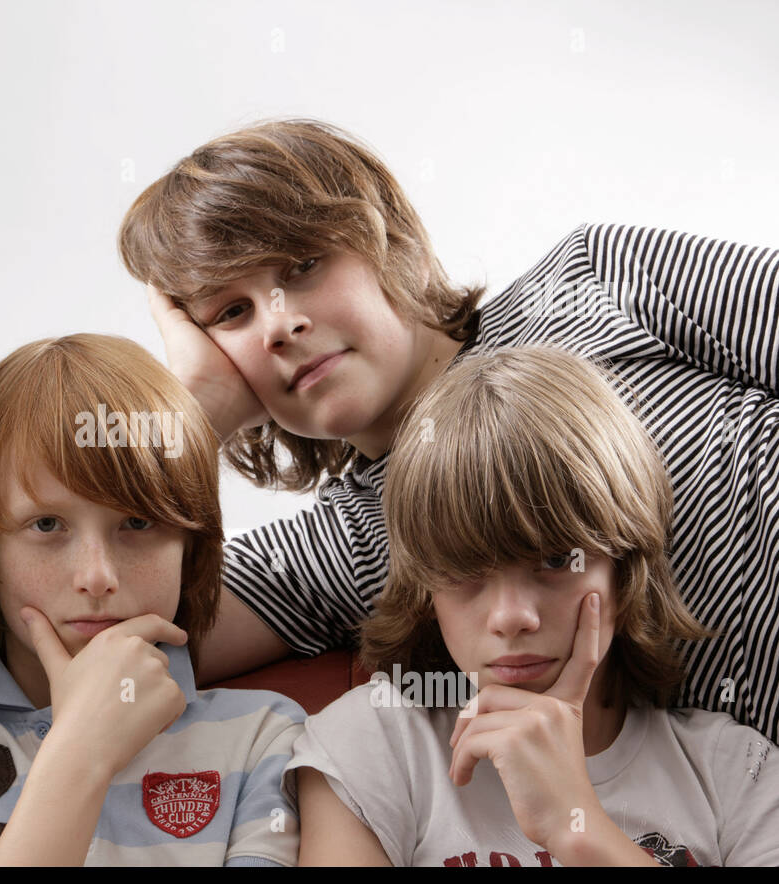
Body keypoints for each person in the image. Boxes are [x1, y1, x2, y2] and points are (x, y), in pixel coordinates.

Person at [116, 118, 779, 745]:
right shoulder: (343, 546)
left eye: (301, 267)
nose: (279, 324)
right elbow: (97, 645)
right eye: (233, 311)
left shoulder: (595, 280)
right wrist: (189, 413)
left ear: (387, 240)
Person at [0, 334, 304, 866]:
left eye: (138, 523)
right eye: (46, 525)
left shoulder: (266, 739)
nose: (97, 576)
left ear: (194, 547)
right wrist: (80, 753)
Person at [289, 345, 779, 866]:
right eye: (463, 571)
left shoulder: (737, 770)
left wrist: (579, 829)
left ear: (625, 565)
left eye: (552, 560)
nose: (510, 618)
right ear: (425, 590)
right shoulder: (374, 745)